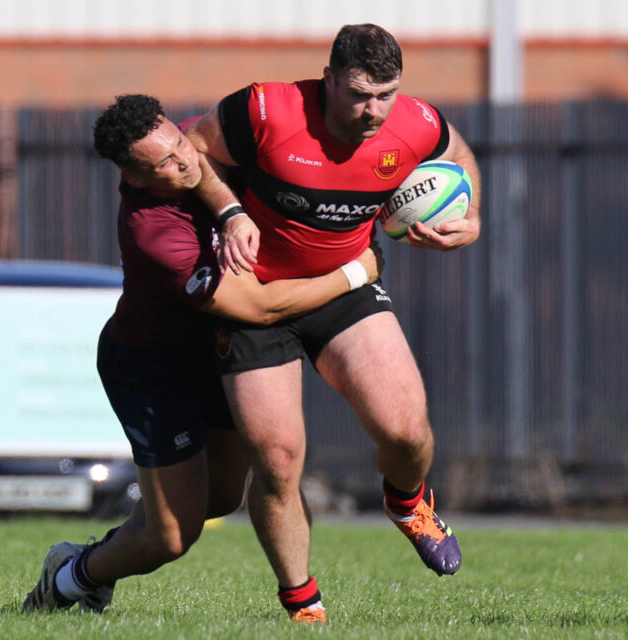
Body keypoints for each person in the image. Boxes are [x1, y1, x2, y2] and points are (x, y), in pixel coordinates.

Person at [22, 94, 382, 616]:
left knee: (221, 499)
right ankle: (69, 577)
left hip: (216, 353)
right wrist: (356, 272)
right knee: (170, 538)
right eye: (165, 164)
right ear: (135, 177)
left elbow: (218, 159)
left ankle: (117, 545)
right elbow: (260, 308)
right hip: (154, 370)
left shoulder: (199, 143)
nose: (184, 161)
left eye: (178, 144)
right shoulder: (155, 232)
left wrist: (232, 211)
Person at [186, 23, 481, 623]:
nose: (374, 110)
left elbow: (458, 155)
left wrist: (470, 215)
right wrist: (231, 211)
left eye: (386, 94)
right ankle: (303, 603)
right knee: (277, 459)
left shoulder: (417, 122)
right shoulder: (265, 109)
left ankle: (407, 502)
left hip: (344, 285)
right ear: (329, 80)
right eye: (359, 94)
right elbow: (194, 149)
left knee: (406, 430)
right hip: (255, 296)